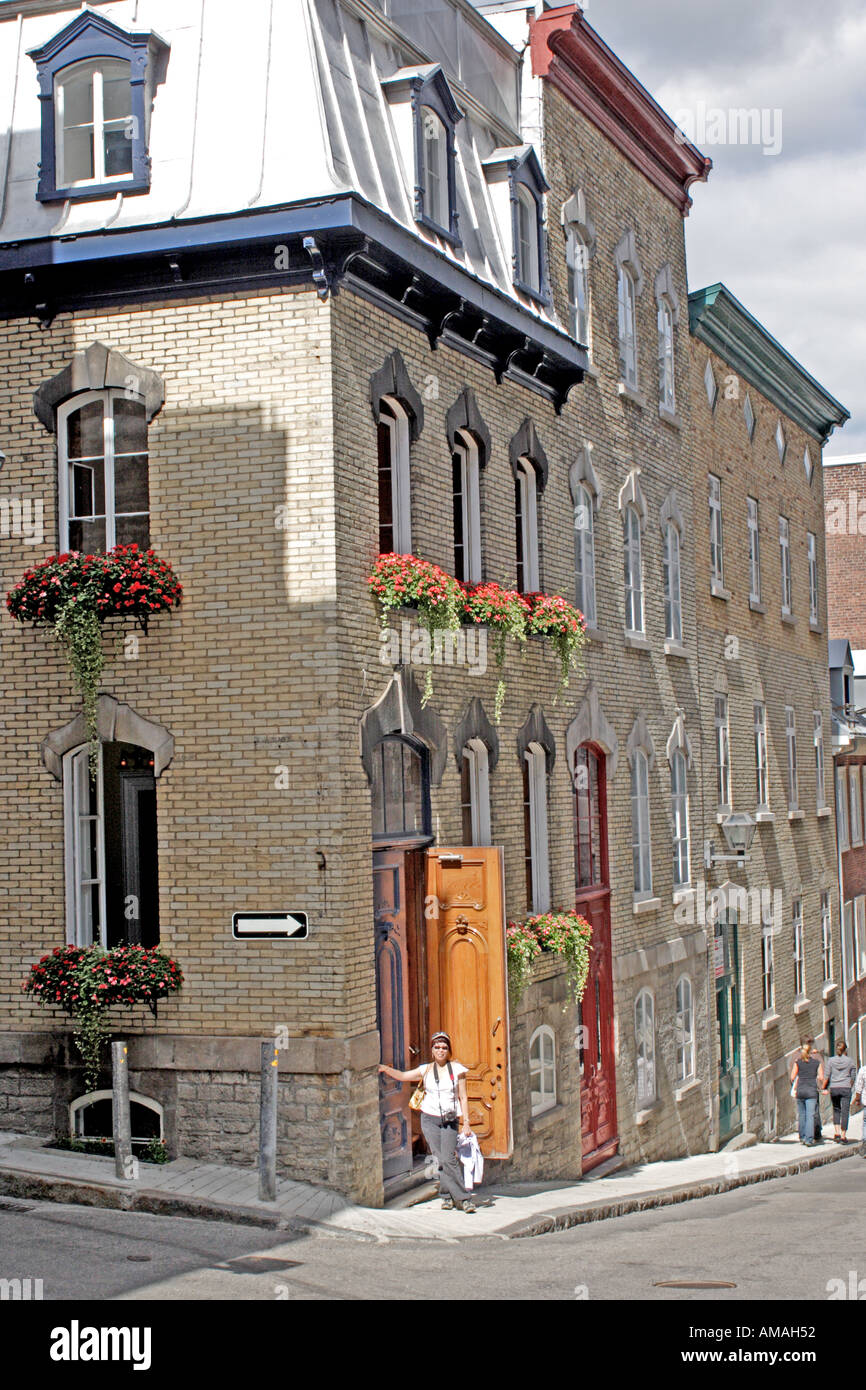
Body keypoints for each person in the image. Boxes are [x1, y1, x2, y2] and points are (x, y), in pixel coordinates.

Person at [378, 1032, 476, 1213]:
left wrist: (467, 1123)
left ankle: (463, 1198)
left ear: (449, 1051)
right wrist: (385, 1069)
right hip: (429, 1119)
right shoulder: (426, 1070)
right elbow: (403, 1076)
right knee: (441, 1158)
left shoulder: (457, 1070)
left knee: (448, 1158)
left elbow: (463, 1097)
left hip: (449, 1120)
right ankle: (447, 1196)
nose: (440, 1051)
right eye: (437, 1047)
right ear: (432, 1050)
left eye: (444, 1048)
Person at [790, 1040, 824, 1146]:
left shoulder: (798, 1062)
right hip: (811, 1091)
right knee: (810, 1115)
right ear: (811, 1052)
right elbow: (822, 1077)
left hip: (800, 1090)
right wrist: (816, 1078)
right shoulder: (816, 1063)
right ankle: (809, 1139)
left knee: (802, 1114)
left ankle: (802, 1136)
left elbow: (792, 1077)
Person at [823, 1041, 857, 1142]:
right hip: (846, 1087)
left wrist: (824, 1087)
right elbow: (853, 1076)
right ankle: (843, 1135)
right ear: (845, 1049)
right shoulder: (850, 1061)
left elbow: (827, 1075)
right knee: (845, 1111)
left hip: (834, 1088)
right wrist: (849, 1085)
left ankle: (836, 1133)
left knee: (836, 1109)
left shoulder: (830, 1061)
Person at [852, 1056, 866, 1155]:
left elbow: (858, 1086)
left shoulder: (863, 1070)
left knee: (865, 1123)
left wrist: (857, 1099)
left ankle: (865, 1141)